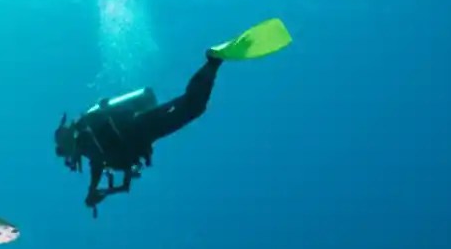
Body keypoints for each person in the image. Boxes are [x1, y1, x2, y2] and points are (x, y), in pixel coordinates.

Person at [53, 19, 292, 217]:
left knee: (192, 106)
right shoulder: (88, 145)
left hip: (141, 126)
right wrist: (96, 191)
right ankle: (213, 63)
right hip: (143, 129)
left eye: (66, 152)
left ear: (67, 144)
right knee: (193, 106)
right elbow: (101, 163)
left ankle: (213, 61)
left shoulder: (85, 140)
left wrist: (93, 191)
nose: (70, 159)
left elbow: (98, 162)